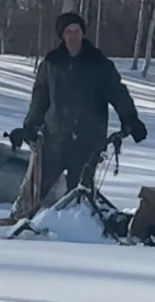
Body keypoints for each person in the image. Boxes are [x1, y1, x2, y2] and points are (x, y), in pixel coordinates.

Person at [9, 11, 147, 205]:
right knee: (35, 190)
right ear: (62, 36)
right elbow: (40, 99)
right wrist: (31, 125)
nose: (73, 36)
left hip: (88, 142)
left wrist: (130, 118)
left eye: (77, 31)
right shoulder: (51, 63)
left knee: (80, 195)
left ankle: (76, 231)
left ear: (83, 34)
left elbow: (117, 92)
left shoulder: (99, 63)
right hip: (54, 140)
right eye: (68, 32)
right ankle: (19, 226)